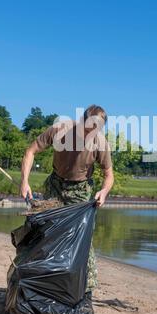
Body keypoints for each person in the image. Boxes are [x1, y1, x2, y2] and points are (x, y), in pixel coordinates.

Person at [20, 104, 114, 294]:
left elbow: (109, 174)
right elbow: (31, 151)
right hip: (55, 184)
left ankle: (85, 289)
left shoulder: (101, 143)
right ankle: (35, 276)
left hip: (80, 190)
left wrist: (103, 192)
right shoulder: (60, 129)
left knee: (81, 237)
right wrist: (24, 182)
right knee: (43, 230)